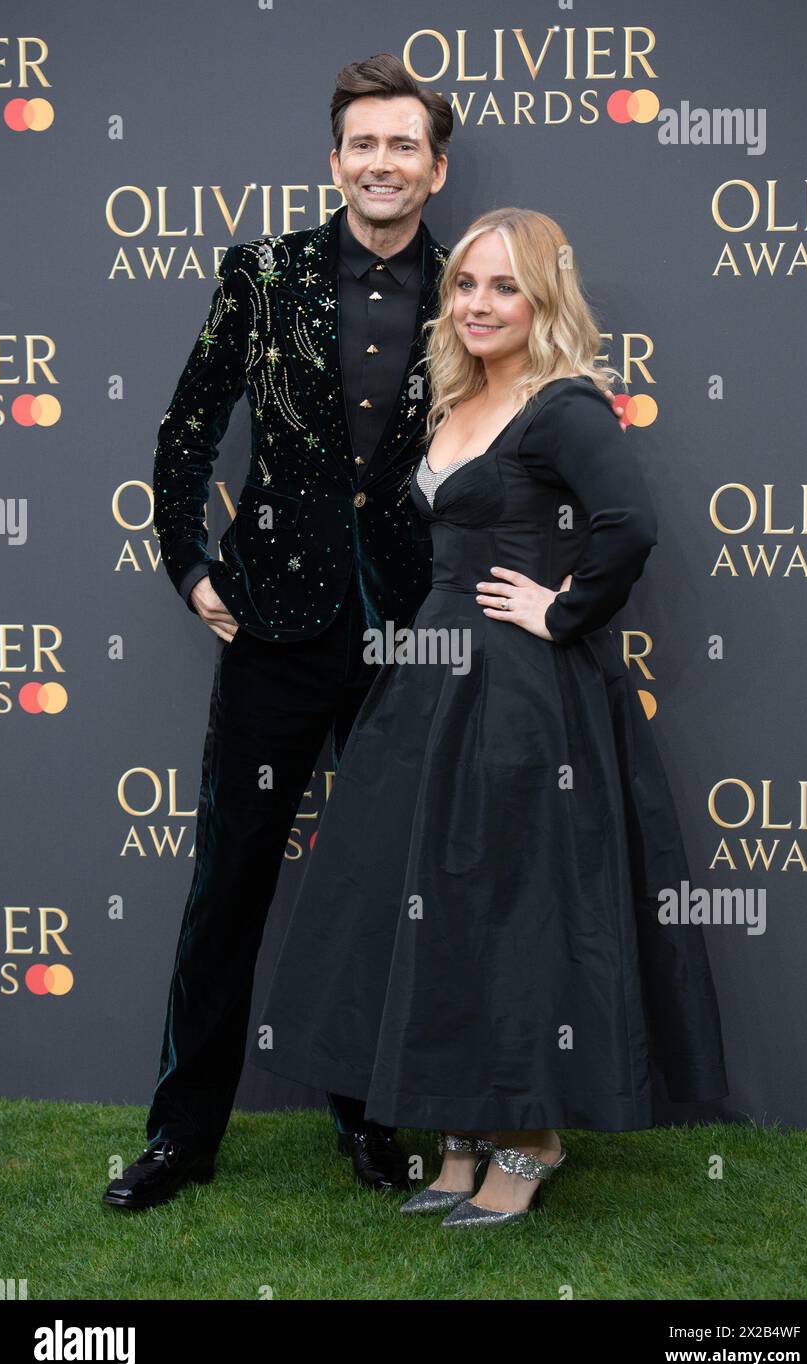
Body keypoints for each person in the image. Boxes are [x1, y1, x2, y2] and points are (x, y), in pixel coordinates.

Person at [101, 53, 625, 1212]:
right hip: (277, 625)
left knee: (394, 885)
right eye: (360, 144)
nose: (379, 163)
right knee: (229, 883)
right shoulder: (262, 271)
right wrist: (189, 565)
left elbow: (538, 441)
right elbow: (187, 429)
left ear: (435, 168)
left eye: (403, 145)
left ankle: (377, 1130)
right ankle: (180, 1137)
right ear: (333, 158)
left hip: (421, 634)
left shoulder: (468, 289)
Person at [251, 206, 730, 1228]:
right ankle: (461, 1133)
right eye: (465, 284)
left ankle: (530, 1135)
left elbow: (628, 525)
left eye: (503, 286)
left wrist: (560, 610)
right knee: (437, 898)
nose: (476, 303)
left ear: (542, 298)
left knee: (506, 904)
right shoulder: (458, 399)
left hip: (515, 693)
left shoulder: (562, 406)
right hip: (431, 680)